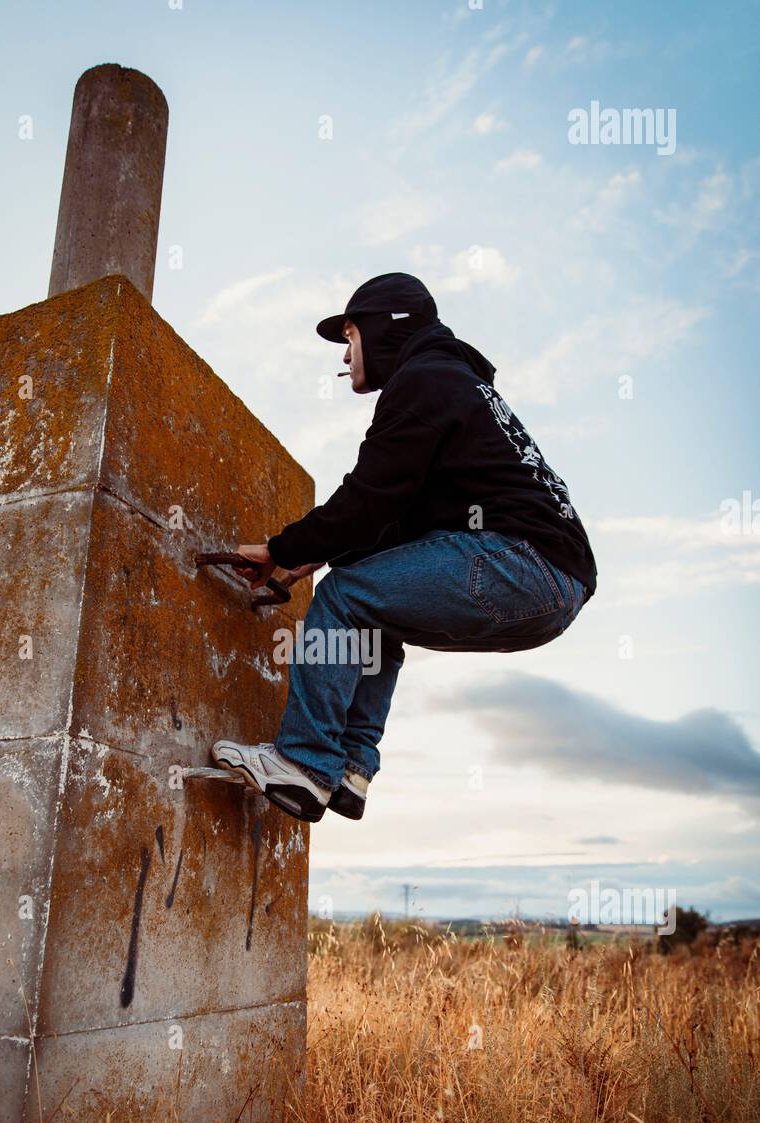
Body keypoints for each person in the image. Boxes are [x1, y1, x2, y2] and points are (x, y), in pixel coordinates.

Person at [212, 272, 597, 824]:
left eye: (350, 336)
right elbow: (398, 515)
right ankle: (351, 768)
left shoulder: (423, 380)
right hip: (554, 584)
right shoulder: (456, 383)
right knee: (375, 607)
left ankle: (303, 762)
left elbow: (369, 497)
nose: (345, 355)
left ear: (383, 328)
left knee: (344, 597)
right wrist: (320, 552)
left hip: (521, 563)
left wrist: (280, 547)